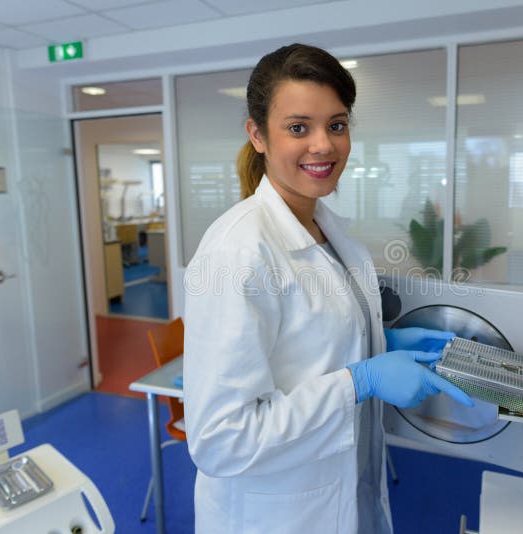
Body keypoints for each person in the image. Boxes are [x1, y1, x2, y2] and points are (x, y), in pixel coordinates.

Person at [183, 43, 474, 534]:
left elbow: (312, 343)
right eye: (299, 127)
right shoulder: (238, 253)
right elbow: (221, 440)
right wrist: (359, 381)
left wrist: (378, 342)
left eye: (336, 125)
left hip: (341, 491)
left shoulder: (331, 234)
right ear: (257, 135)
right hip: (276, 514)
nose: (324, 145)